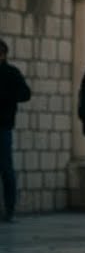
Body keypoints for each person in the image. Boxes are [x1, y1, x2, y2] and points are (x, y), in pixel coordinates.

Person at [0, 38, 32, 222]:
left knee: (6, 169)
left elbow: (25, 94)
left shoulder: (11, 73)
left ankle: (10, 209)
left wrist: (4, 97)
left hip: (3, 126)